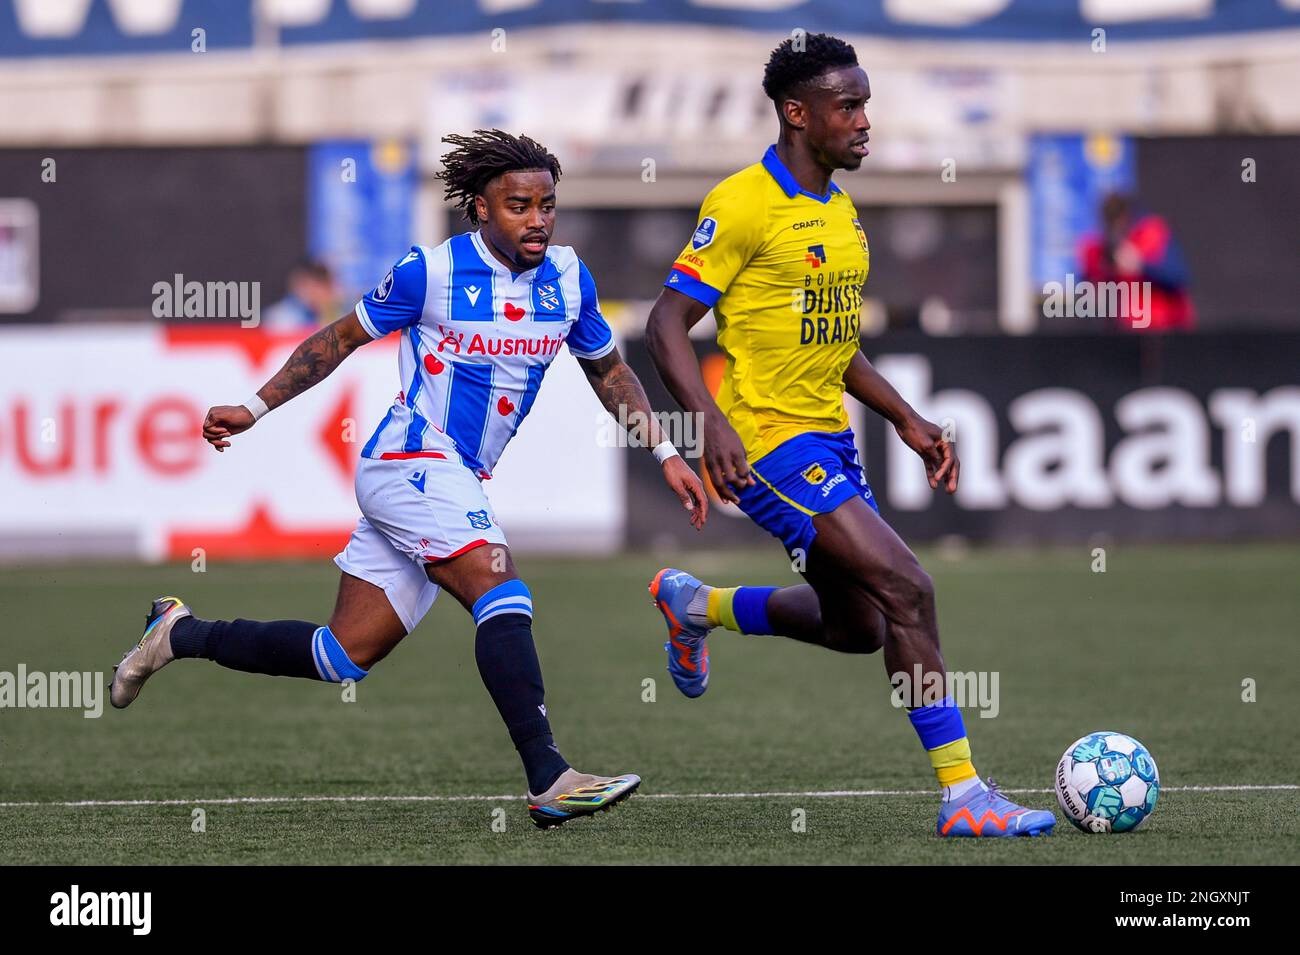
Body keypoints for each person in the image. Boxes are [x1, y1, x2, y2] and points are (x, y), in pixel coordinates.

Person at [111, 130, 707, 829]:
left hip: (456, 478)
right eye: (520, 205)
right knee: (498, 580)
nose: (538, 219)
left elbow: (610, 371)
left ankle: (178, 634)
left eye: (548, 204)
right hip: (409, 457)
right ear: (481, 209)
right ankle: (549, 774)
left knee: (339, 655)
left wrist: (666, 451)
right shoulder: (431, 272)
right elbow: (337, 340)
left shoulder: (570, 279)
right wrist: (253, 406)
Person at [644, 34, 1055, 837]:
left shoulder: (837, 207)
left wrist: (904, 416)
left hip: (829, 441)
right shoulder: (742, 203)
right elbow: (666, 324)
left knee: (861, 625)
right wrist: (712, 425)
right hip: (768, 444)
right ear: (797, 114)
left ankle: (697, 606)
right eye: (850, 105)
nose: (865, 121)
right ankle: (964, 794)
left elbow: (834, 342)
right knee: (910, 588)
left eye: (867, 103)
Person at [1079, 192, 1195, 331]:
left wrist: (1142, 266)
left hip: (1167, 328)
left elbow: (1179, 276)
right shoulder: (1099, 248)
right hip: (1128, 331)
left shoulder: (1154, 234)